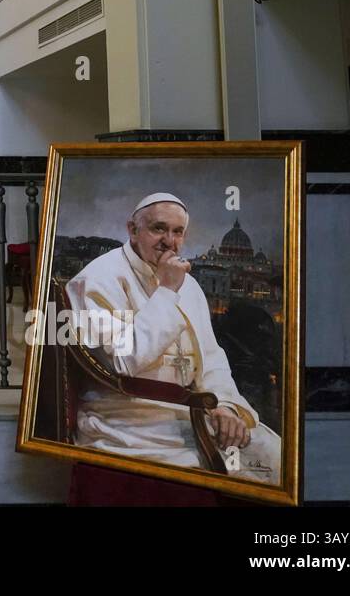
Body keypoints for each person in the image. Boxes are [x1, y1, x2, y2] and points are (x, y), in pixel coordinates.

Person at [63, 193, 282, 483]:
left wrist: (226, 407)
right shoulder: (97, 280)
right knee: (252, 471)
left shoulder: (187, 284)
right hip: (130, 420)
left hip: (195, 409)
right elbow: (123, 361)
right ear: (132, 230)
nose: (169, 240)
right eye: (158, 228)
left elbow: (211, 357)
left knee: (275, 457)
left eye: (177, 232)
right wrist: (166, 290)